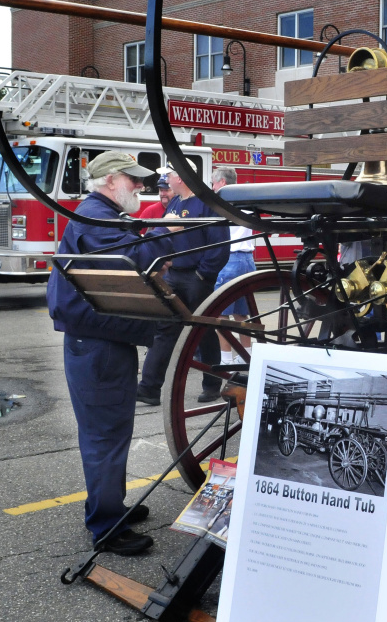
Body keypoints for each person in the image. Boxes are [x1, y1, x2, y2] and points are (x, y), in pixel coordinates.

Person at [47, 151, 182, 555]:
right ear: (110, 182)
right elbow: (135, 257)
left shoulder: (100, 214)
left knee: (111, 431)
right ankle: (107, 526)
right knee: (105, 434)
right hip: (98, 346)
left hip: (101, 342)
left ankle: (109, 507)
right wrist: (169, 231)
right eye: (133, 180)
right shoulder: (97, 216)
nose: (141, 187)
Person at [136, 160, 229, 406]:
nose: (165, 180)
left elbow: (219, 243)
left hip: (195, 276)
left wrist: (203, 275)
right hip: (174, 274)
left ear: (181, 177)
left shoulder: (207, 202)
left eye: (168, 175)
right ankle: (149, 388)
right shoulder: (177, 202)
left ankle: (211, 385)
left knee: (204, 330)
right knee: (165, 329)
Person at [210, 166, 256, 364]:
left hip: (229, 257)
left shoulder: (223, 202)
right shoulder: (246, 201)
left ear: (222, 183)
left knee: (221, 314)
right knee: (241, 313)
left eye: (213, 184)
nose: (212, 188)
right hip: (247, 258)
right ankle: (247, 355)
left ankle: (226, 359)